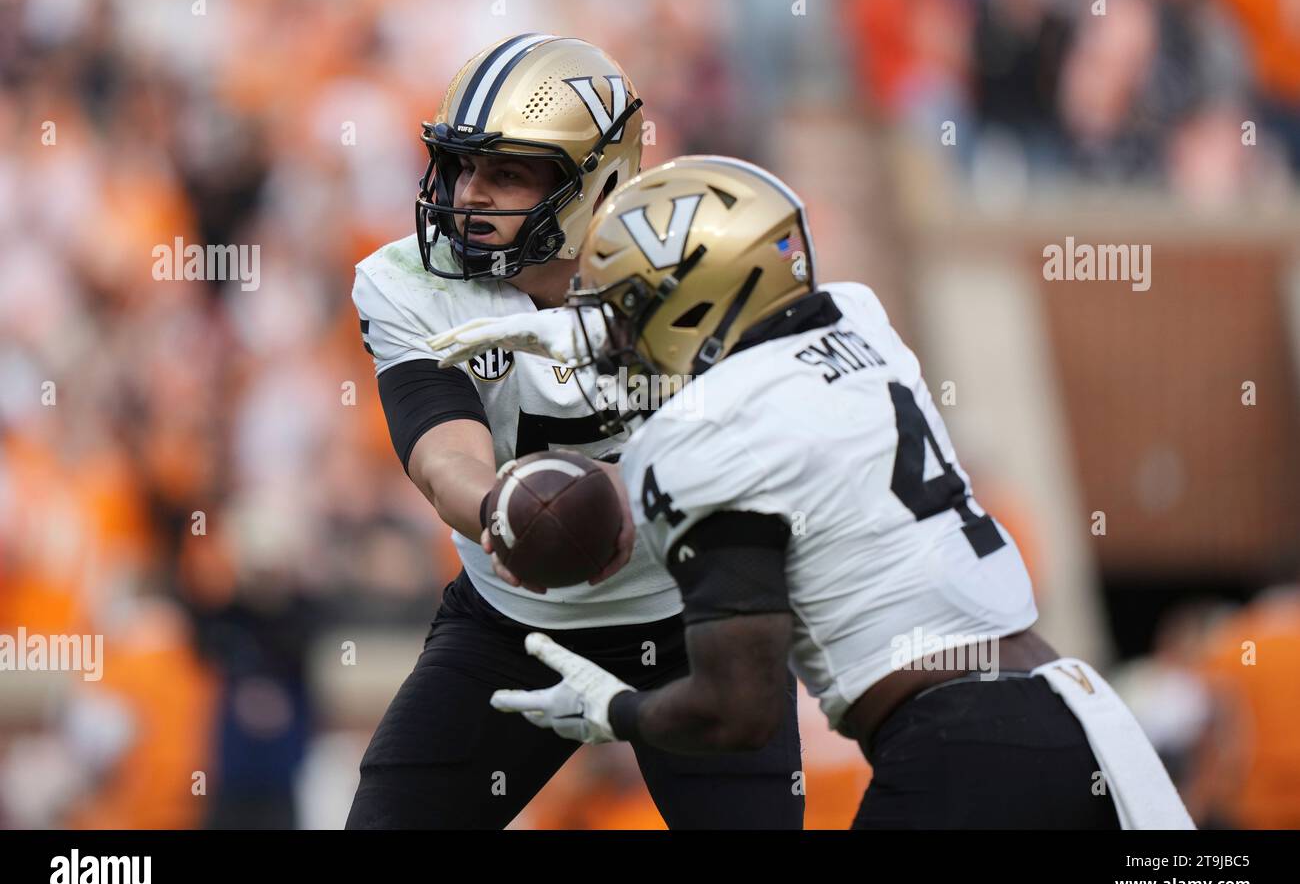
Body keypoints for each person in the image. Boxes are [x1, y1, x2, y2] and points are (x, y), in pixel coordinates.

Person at [439, 155, 1193, 829]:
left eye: (625, 312)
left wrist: (614, 710)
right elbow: (770, 366)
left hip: (959, 753)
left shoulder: (700, 442)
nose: (615, 341)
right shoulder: (863, 322)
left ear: (692, 304)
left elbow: (739, 710)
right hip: (1076, 717)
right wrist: (585, 334)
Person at [345, 39, 802, 829]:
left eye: (507, 173)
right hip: (513, 622)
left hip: (699, 612)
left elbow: (766, 444)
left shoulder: (697, 265)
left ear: (599, 182)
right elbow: (442, 450)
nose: (468, 194)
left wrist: (637, 497)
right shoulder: (406, 282)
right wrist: (503, 513)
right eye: (460, 165)